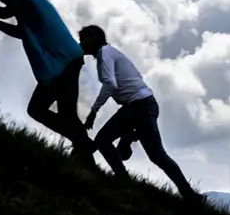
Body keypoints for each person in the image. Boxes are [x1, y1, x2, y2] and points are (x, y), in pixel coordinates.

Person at [0, 0, 127, 176]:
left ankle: (84, 145)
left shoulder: (24, 0)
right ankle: (87, 160)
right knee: (67, 116)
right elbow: (20, 29)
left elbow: (5, 14)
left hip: (61, 64)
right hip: (66, 61)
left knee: (37, 109)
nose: (0, 0)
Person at [78, 24, 203, 203]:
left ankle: (124, 180)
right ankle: (190, 195)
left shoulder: (105, 53)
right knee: (156, 155)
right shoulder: (110, 53)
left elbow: (111, 85)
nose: (81, 43)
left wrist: (93, 111)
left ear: (93, 39)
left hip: (138, 106)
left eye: (84, 39)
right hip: (143, 105)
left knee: (105, 141)